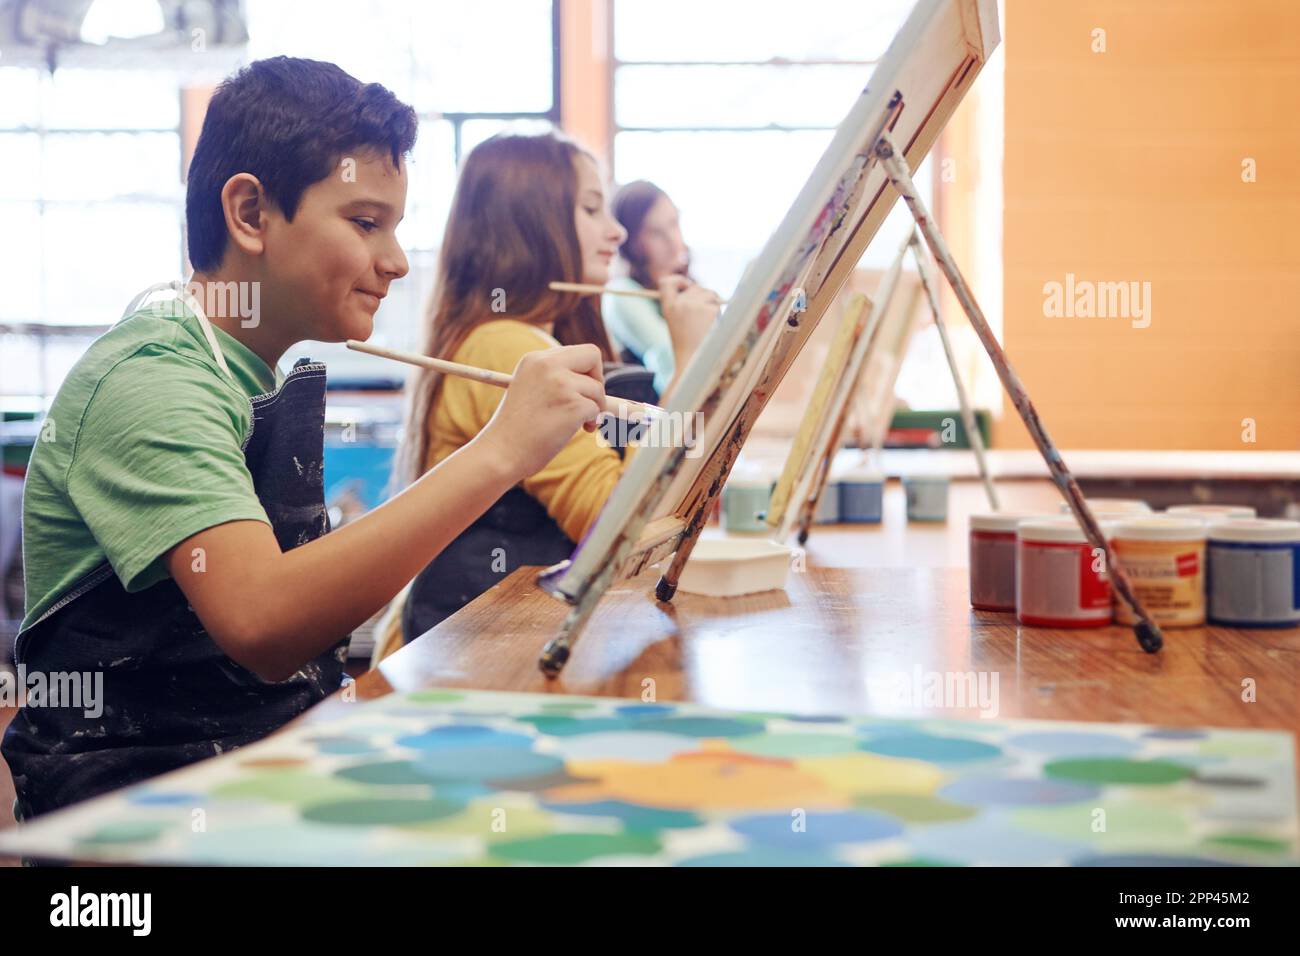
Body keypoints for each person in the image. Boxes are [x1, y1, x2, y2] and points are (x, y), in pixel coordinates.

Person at [2, 58, 608, 819]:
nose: (393, 261)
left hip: (264, 768)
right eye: (364, 222)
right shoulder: (152, 376)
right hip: (136, 808)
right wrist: (501, 450)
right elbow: (262, 621)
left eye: (395, 226)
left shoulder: (250, 372)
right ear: (251, 213)